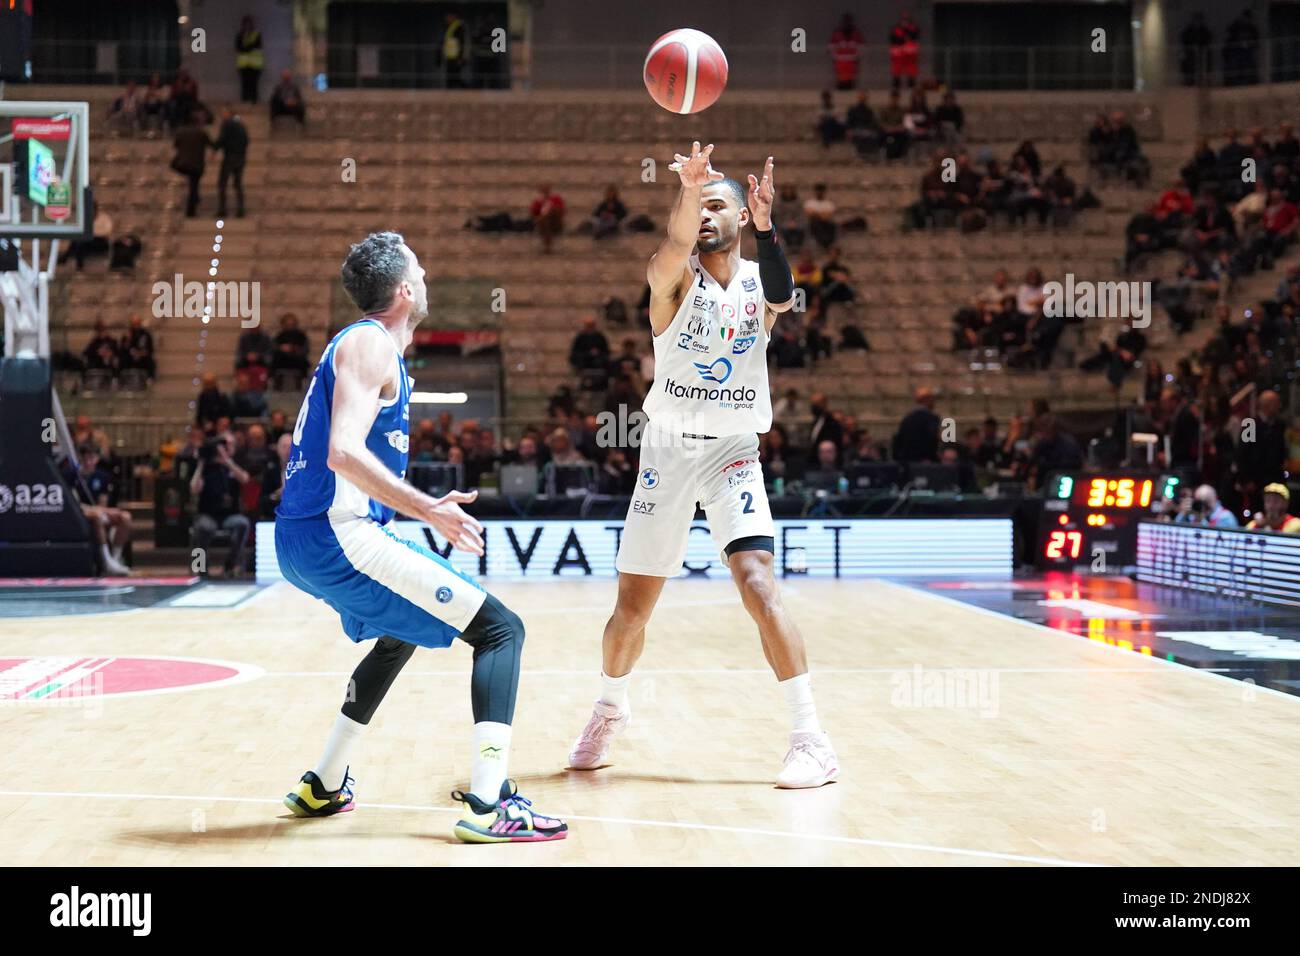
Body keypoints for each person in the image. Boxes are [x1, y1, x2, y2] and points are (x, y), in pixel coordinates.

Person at [274, 232, 567, 842]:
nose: (428, 271)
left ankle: (323, 783)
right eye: (419, 268)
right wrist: (430, 510)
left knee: (397, 636)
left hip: (309, 539)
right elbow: (342, 452)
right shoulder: (369, 342)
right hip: (335, 536)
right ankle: (491, 806)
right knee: (501, 630)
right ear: (405, 291)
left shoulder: (372, 348)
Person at [566, 143, 839, 788]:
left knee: (758, 582)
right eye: (698, 208)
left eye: (719, 206)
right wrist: (689, 191)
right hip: (667, 450)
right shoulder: (672, 277)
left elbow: (784, 291)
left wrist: (770, 224)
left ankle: (811, 738)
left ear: (742, 218)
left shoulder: (760, 286)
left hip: (733, 451)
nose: (706, 217)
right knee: (632, 608)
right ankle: (610, 707)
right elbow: (672, 243)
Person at [190, 430, 252, 577]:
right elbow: (194, 488)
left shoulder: (235, 463)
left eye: (229, 444)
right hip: (208, 514)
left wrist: (227, 462)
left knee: (243, 523)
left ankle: (230, 565)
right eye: (223, 444)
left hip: (230, 515)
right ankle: (200, 567)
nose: (225, 448)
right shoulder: (206, 466)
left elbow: (245, 479)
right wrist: (201, 464)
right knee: (202, 528)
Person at [212, 105, 249, 219]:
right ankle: (240, 209)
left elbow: (222, 139)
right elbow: (246, 141)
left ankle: (222, 209)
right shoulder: (241, 126)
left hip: (230, 157)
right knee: (238, 184)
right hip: (240, 157)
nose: (222, 116)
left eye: (224, 113)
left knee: (222, 183)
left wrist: (215, 149)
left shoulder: (227, 124)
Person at [171, 112, 210, 217]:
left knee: (193, 185)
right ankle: (191, 211)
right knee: (194, 186)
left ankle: (195, 199)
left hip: (182, 164)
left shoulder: (181, 131)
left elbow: (176, 145)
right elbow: (212, 145)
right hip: (196, 166)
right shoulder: (201, 133)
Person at [827, 14, 864, 90]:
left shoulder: (856, 34)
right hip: (840, 62)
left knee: (851, 82)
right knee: (840, 82)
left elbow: (862, 47)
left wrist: (857, 56)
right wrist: (835, 56)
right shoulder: (837, 34)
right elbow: (830, 47)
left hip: (852, 62)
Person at [235, 16, 264, 104]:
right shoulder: (239, 35)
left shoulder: (256, 34)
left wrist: (246, 47)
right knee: (244, 84)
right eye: (245, 24)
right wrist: (249, 46)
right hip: (243, 65)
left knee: (254, 84)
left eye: (249, 24)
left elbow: (257, 46)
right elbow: (238, 47)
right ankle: (245, 100)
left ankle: (254, 100)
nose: (247, 26)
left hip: (255, 65)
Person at [530, 184, 565, 254]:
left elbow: (561, 212)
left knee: (553, 210)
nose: (545, 191)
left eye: (547, 189)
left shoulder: (556, 199)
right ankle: (548, 246)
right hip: (543, 225)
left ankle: (547, 245)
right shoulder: (537, 202)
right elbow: (533, 215)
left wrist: (548, 212)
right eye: (543, 190)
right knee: (543, 220)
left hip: (556, 223)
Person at [442, 11, 469, 88]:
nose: (447, 19)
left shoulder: (459, 27)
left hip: (456, 58)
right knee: (452, 79)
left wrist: (462, 58)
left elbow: (463, 43)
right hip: (450, 57)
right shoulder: (450, 27)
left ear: (453, 16)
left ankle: (467, 89)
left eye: (448, 17)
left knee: (454, 79)